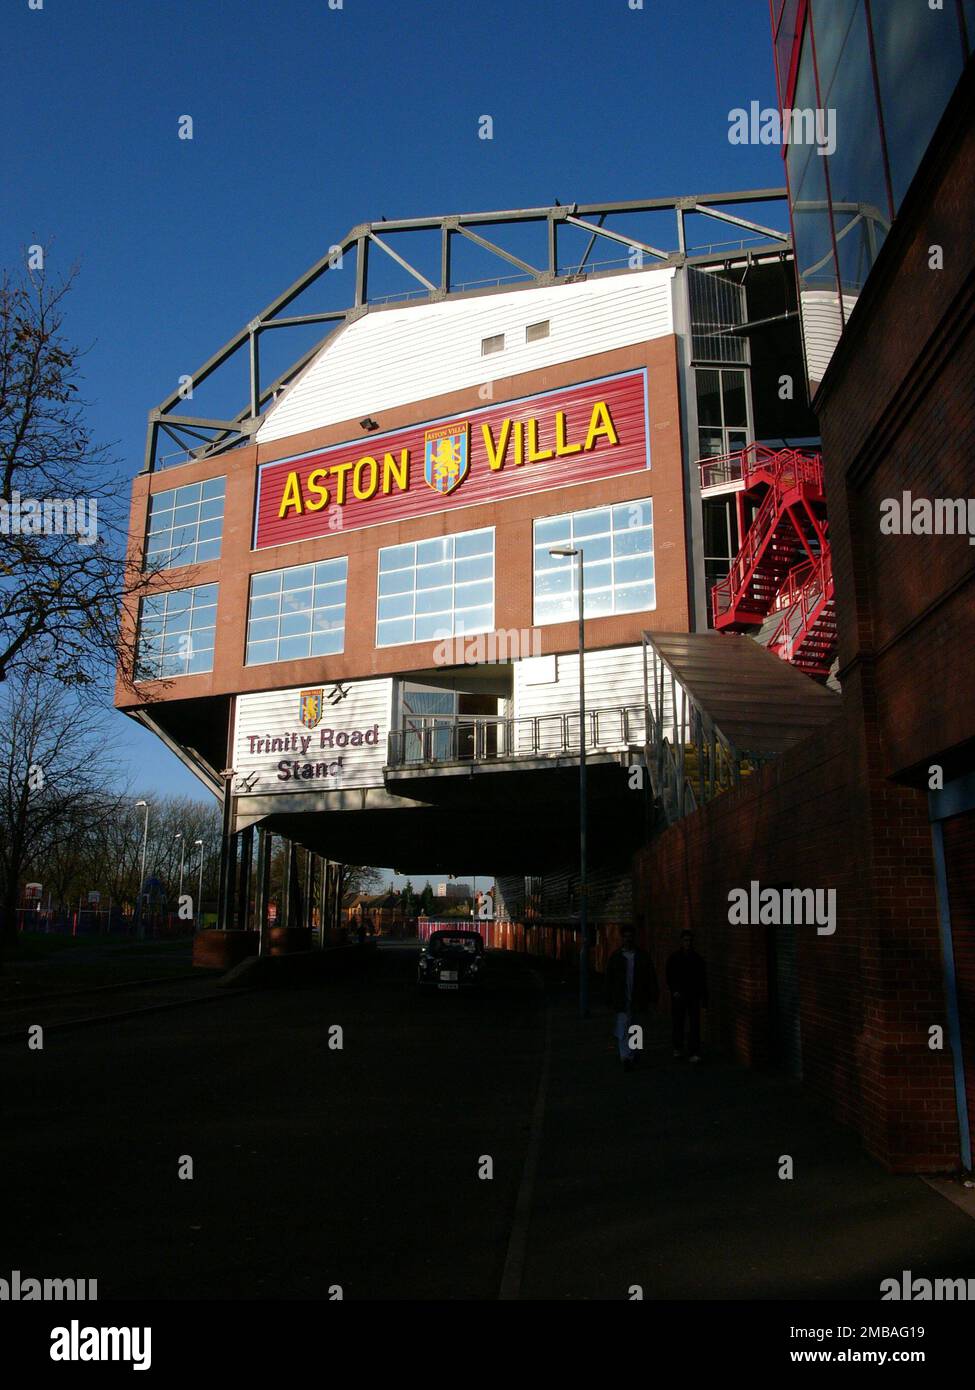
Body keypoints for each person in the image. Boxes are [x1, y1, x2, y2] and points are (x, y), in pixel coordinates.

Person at [604, 923, 659, 1071]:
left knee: (635, 1026)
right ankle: (626, 1056)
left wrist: (653, 996)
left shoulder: (640, 957)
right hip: (623, 997)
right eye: (625, 936)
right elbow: (609, 979)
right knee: (623, 1026)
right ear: (622, 938)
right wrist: (609, 997)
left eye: (630, 936)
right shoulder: (617, 958)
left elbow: (650, 977)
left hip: (636, 997)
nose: (628, 939)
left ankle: (633, 1054)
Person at [666, 930, 708, 1062]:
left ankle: (693, 1051)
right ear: (682, 941)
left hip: (693, 995)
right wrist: (674, 991)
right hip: (680, 995)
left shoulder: (697, 958)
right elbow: (670, 976)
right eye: (685, 940)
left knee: (694, 1024)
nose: (687, 943)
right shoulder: (675, 958)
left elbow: (702, 979)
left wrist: (703, 997)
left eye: (689, 940)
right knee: (679, 1022)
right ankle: (678, 1048)